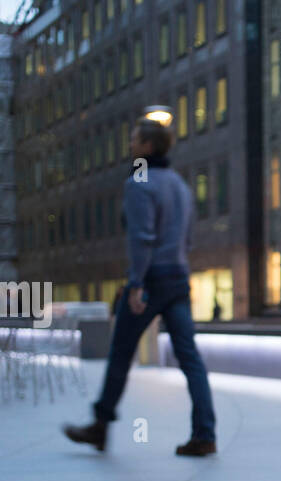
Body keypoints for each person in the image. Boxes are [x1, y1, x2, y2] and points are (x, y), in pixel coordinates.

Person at [63, 118, 217, 456]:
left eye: (134, 139)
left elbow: (142, 239)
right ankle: (205, 433)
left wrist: (136, 283)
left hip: (151, 279)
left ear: (148, 146)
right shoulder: (180, 185)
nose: (130, 145)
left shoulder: (139, 181)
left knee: (121, 351)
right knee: (190, 356)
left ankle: (100, 426)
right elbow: (188, 238)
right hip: (178, 275)